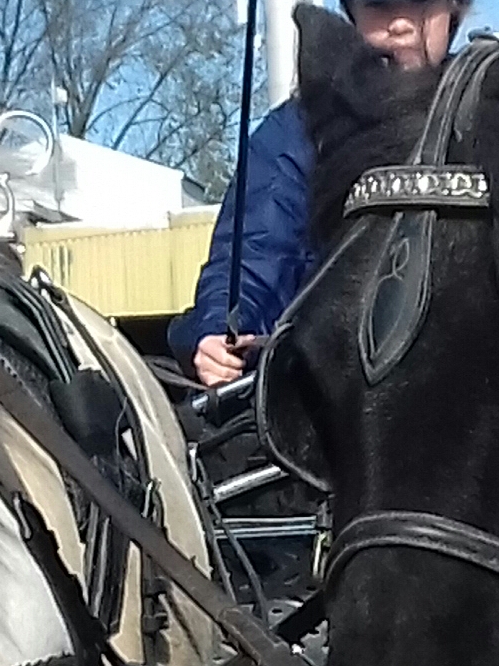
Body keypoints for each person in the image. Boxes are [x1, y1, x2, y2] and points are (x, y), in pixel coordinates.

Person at [167, 0, 472, 387]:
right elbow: (257, 254)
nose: (399, 23)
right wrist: (218, 334)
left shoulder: (497, 113)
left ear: (455, 9)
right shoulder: (295, 133)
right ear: (351, 13)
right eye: (379, 4)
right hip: (337, 392)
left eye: (420, 3)